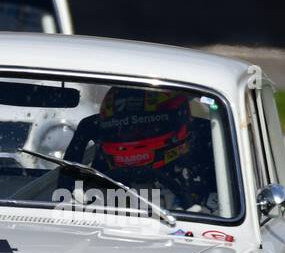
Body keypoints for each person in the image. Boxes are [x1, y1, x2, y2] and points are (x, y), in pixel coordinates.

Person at [63, 87, 219, 215]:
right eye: (122, 129)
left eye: (143, 128)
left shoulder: (213, 168)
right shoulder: (95, 177)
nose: (131, 137)